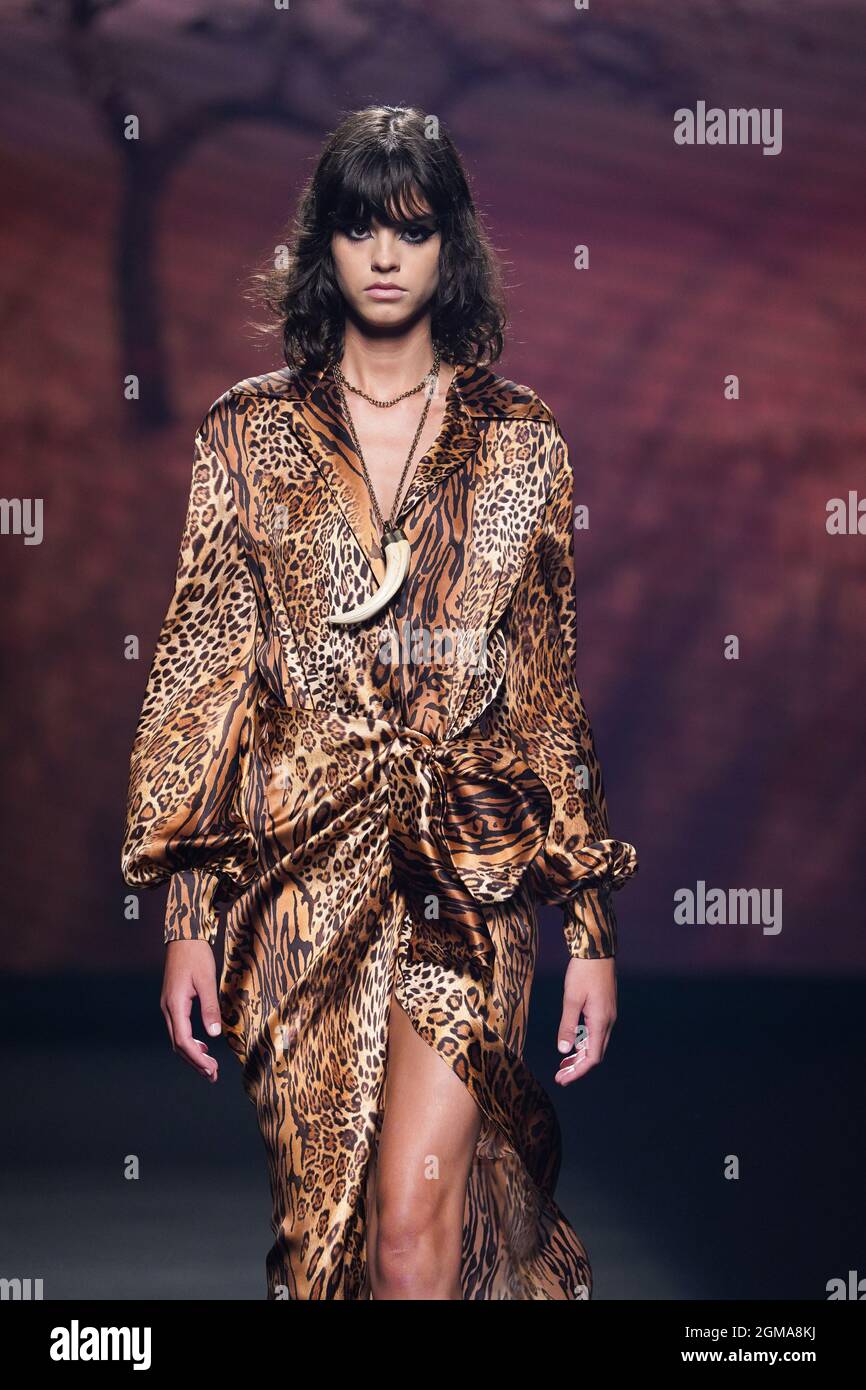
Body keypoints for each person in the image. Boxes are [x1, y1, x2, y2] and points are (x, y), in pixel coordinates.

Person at [120, 104, 638, 1301]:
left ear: (452, 245)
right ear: (325, 250)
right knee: (327, 1245)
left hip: (472, 863)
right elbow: (208, 681)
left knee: (414, 1224)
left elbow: (547, 695)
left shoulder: (522, 443)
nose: (388, 255)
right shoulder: (248, 439)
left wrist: (593, 930)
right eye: (361, 228)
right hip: (299, 871)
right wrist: (187, 911)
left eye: (414, 227)